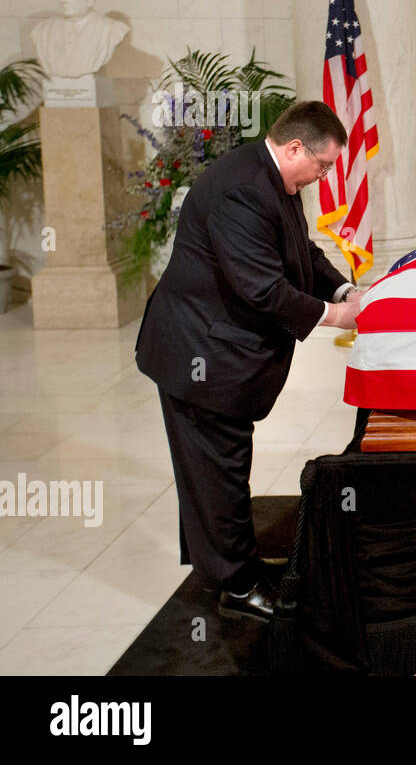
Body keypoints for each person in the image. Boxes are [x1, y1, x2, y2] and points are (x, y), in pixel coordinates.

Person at [135, 100, 362, 622]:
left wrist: (346, 287)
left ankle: (233, 564)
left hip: (215, 349)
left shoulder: (274, 178)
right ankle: (236, 585)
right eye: (323, 165)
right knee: (219, 472)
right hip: (201, 354)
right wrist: (337, 317)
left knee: (219, 467)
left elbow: (298, 250)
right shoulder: (243, 189)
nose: (324, 176)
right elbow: (262, 288)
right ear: (294, 147)